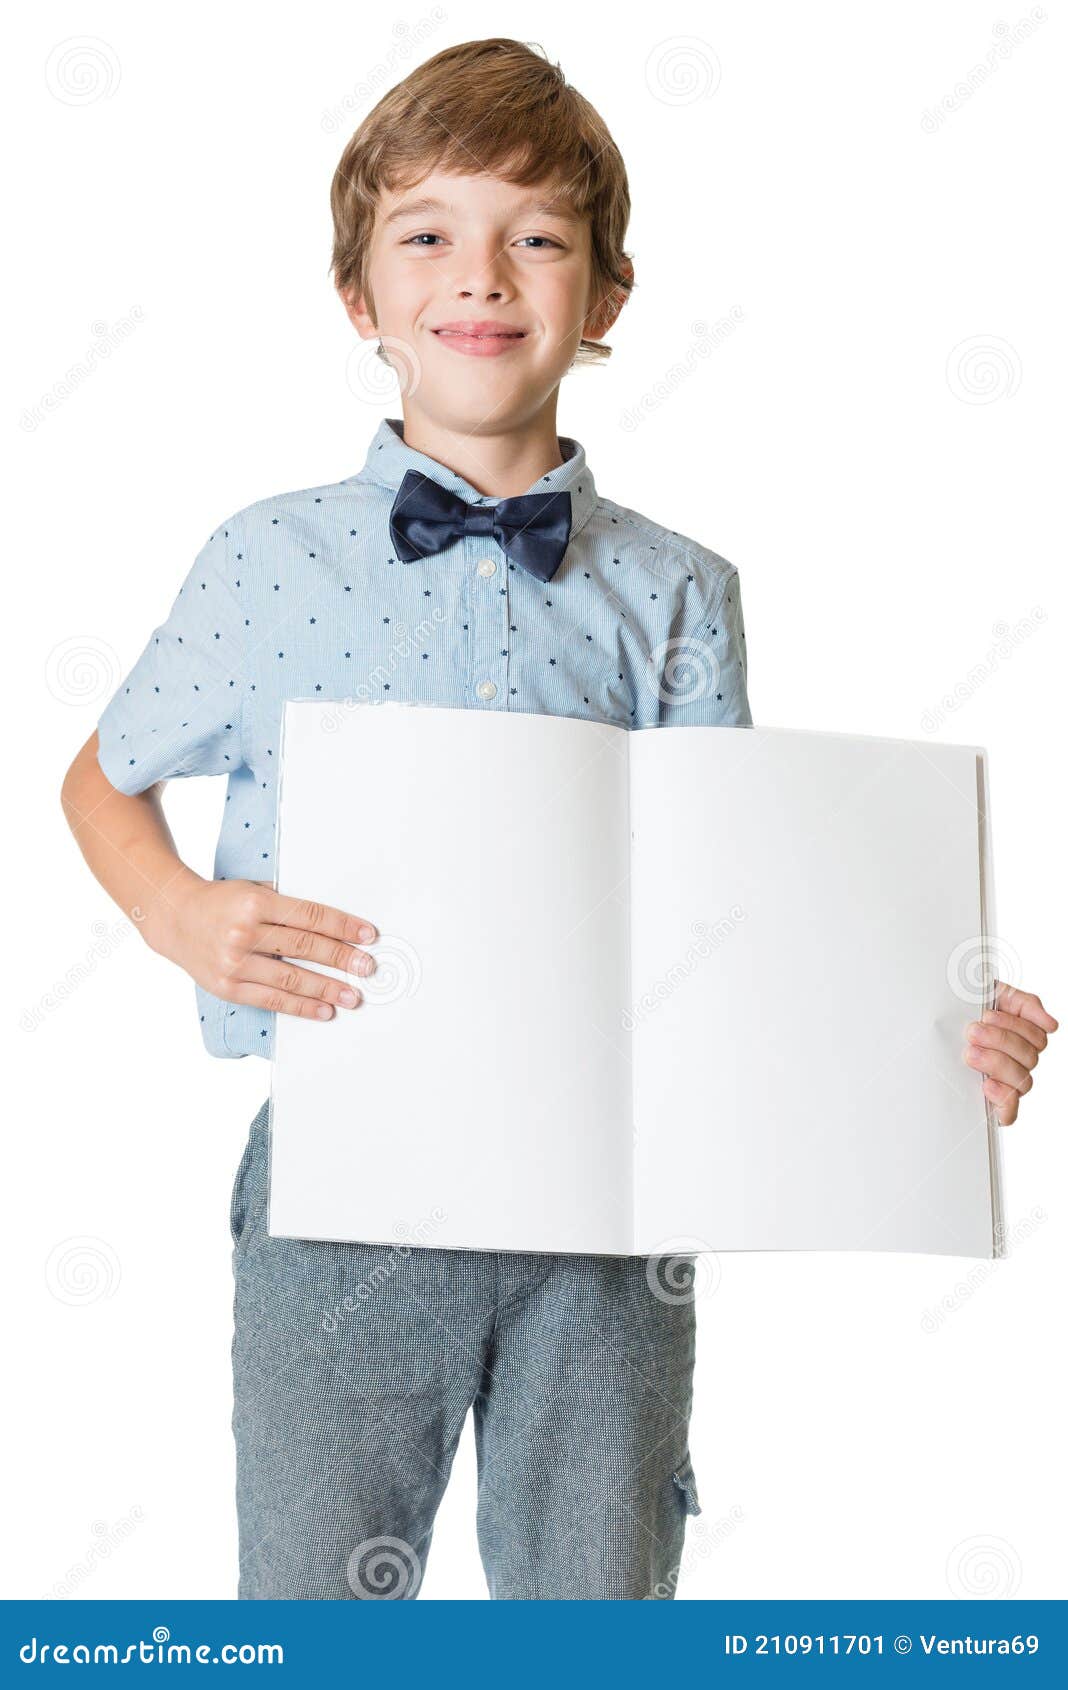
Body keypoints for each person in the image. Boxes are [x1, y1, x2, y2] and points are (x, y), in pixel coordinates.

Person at [60, 37, 1058, 1600]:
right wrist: (179, 910)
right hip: (344, 1189)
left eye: (537, 237)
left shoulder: (676, 591)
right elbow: (100, 774)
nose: (484, 274)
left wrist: (934, 1048)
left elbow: (729, 909)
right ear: (357, 297)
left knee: (599, 1608)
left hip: (617, 1221)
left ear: (603, 298)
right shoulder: (265, 562)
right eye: (428, 234)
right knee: (319, 1608)